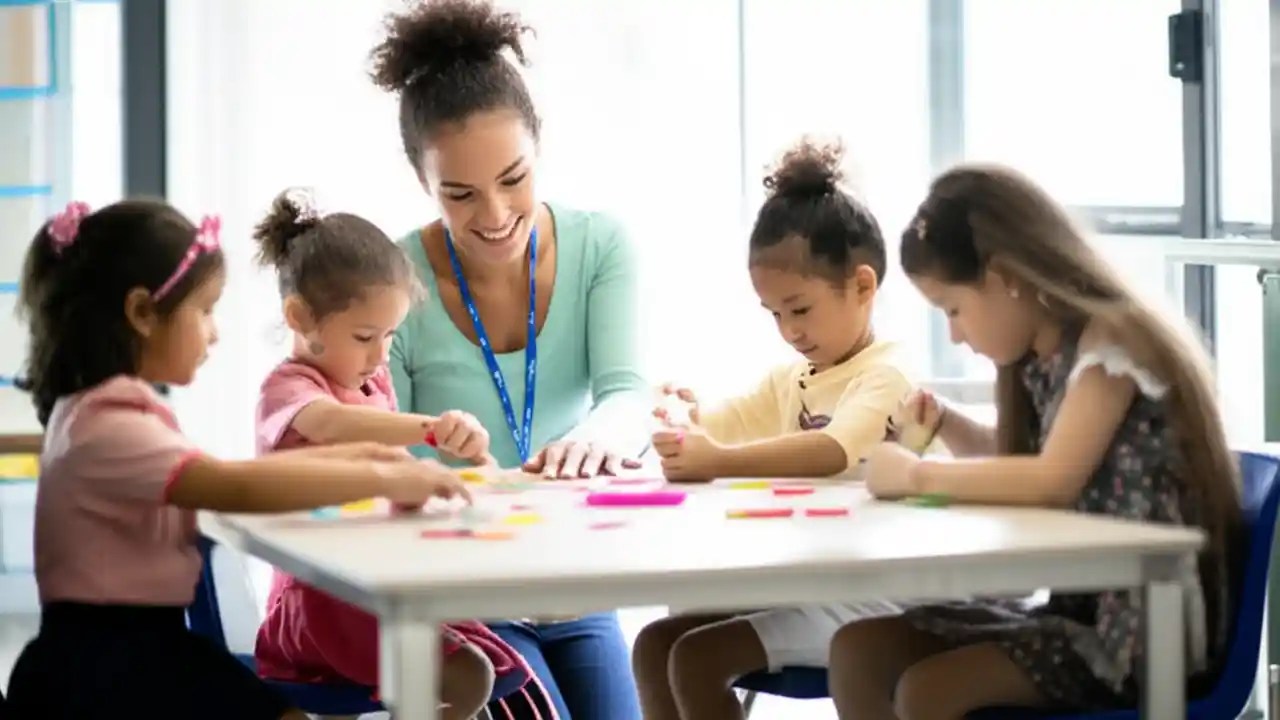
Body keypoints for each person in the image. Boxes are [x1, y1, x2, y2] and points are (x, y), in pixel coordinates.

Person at [5, 200, 469, 719]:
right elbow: (234, 487)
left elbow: (239, 475)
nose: (215, 332)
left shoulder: (105, 411)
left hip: (137, 647)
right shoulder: (110, 425)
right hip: (105, 667)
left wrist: (370, 457)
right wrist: (381, 476)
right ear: (141, 313)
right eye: (204, 311)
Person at [828, 164, 1243, 719]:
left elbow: (1051, 479)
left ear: (1006, 278)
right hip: (1076, 612)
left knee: (927, 690)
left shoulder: (1114, 342)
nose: (954, 333)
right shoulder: (1043, 358)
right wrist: (949, 422)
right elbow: (1018, 463)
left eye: (954, 309)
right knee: (857, 650)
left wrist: (915, 475)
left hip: (1138, 629)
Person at [370, 1, 646, 717]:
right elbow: (380, 446)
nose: (493, 214)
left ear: (540, 147)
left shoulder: (601, 247)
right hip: (462, 594)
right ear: (421, 182)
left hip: (570, 579)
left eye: (514, 178)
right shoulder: (391, 280)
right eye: (458, 194)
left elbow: (626, 394)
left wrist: (594, 438)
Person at [633, 139, 913, 720]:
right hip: (805, 583)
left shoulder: (887, 374)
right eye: (774, 314)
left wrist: (713, 460)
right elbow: (726, 423)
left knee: (694, 659)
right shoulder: (795, 378)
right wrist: (682, 416)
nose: (788, 329)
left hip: (873, 598)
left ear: (863, 287)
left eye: (800, 309)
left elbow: (831, 451)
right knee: (653, 644)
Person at [249, 190, 556, 719]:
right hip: (317, 608)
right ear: (300, 317)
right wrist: (430, 430)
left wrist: (469, 479)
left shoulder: (374, 385)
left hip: (381, 592)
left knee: (503, 678)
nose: (381, 355)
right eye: (366, 336)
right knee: (469, 673)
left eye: (390, 335)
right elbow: (330, 423)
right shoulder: (288, 389)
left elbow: (390, 474)